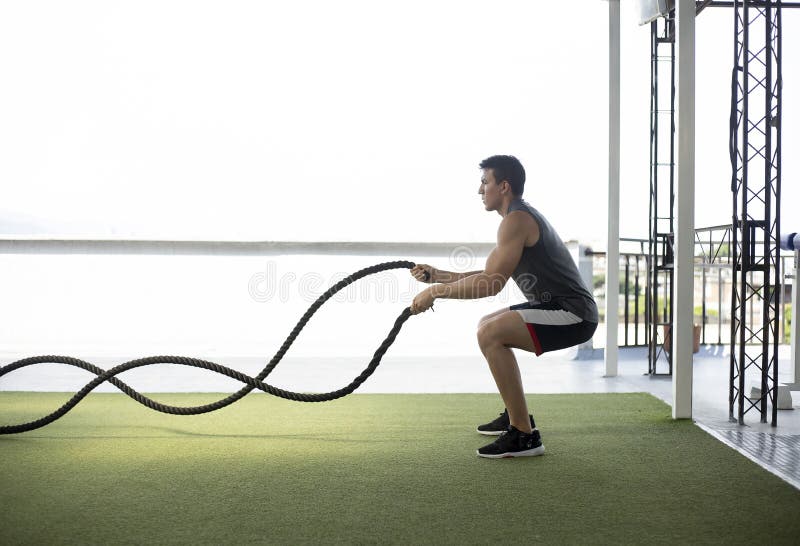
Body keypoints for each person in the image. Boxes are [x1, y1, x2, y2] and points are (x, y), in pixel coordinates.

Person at [409, 155, 598, 459]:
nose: (480, 190)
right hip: (558, 308)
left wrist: (436, 292)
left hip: (574, 314)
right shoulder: (516, 219)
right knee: (487, 324)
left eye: (485, 182)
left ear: (504, 186)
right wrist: (437, 275)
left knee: (491, 334)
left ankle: (524, 435)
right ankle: (515, 414)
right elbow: (487, 275)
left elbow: (491, 284)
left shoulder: (516, 220)